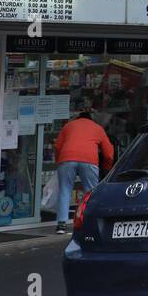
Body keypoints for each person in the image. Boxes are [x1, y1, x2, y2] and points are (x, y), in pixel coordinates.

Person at [54, 99, 114, 235]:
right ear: (91, 119)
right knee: (90, 192)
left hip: (67, 158)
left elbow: (57, 146)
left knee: (64, 190)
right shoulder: (97, 128)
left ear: (78, 118)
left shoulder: (68, 126)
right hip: (89, 160)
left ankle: (61, 225)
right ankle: (90, 222)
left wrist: (59, 161)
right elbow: (109, 151)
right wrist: (107, 166)